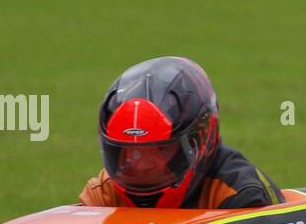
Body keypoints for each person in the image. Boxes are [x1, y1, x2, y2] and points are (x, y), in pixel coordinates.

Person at [80, 56, 282, 210]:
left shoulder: (238, 195)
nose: (142, 165)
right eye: (128, 151)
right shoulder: (102, 195)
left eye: (162, 149)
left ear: (202, 137)